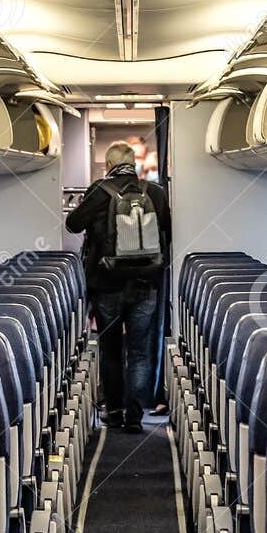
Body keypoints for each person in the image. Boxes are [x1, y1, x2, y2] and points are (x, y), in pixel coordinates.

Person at [66, 142, 172, 433]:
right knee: (139, 352)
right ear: (133, 163)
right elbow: (167, 233)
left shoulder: (100, 191)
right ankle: (135, 417)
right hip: (146, 283)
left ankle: (114, 412)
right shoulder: (156, 193)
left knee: (111, 349)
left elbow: (73, 224)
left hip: (107, 284)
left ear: (108, 165)